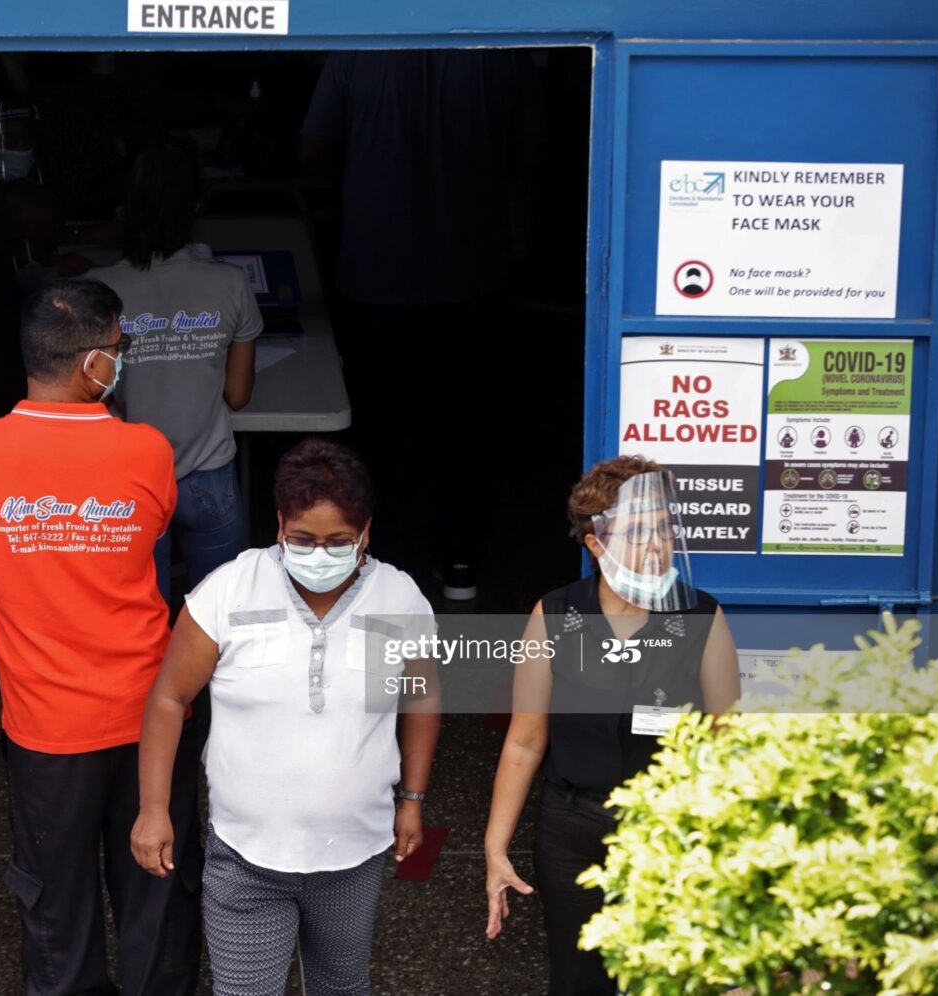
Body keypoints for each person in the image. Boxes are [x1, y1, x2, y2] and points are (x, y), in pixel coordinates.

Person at [0, 279, 200, 995]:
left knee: (57, 913)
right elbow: (150, 535)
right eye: (119, 350)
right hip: (153, 714)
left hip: (45, 730)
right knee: (158, 900)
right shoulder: (146, 451)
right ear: (94, 365)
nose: (122, 362)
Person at [132, 438, 441, 996]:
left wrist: (412, 800)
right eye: (303, 540)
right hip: (245, 856)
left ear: (366, 531)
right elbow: (169, 699)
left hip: (355, 853)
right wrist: (154, 809)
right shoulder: (230, 590)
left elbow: (420, 699)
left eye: (338, 541)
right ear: (279, 525)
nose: (319, 554)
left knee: (342, 987)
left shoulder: (400, 599)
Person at [482, 456, 741, 995]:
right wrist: (495, 849)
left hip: (670, 829)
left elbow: (726, 740)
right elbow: (526, 741)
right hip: (572, 828)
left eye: (664, 529)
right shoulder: (554, 614)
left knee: (670, 977)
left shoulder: (700, 617)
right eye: (638, 531)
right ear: (595, 542)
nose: (656, 546)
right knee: (579, 979)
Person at [300, 50, 541, 598]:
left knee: (386, 431)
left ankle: (394, 568)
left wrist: (372, 160)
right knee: (470, 428)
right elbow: (529, 155)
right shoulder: (504, 51)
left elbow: (314, 149)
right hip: (475, 275)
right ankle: (461, 566)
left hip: (378, 276)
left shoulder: (358, 49)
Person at [90, 139, 261, 606]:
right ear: (196, 206)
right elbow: (239, 394)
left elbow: (92, 400)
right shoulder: (229, 283)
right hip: (209, 475)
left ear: (125, 207)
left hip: (135, 478)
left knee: (147, 620)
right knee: (221, 618)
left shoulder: (103, 291)